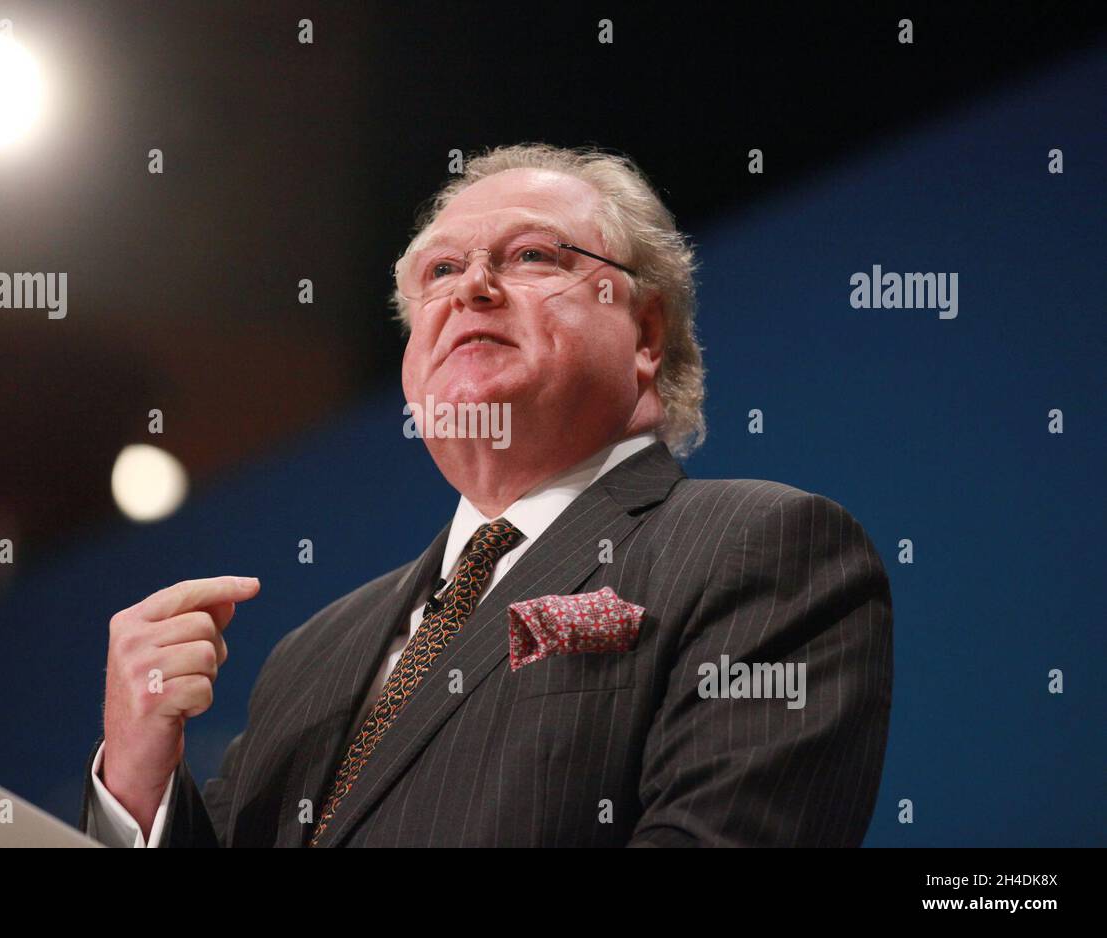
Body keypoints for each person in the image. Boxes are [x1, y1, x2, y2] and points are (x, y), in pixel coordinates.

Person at [80, 143, 893, 847]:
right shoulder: (311, 654)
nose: (472, 286)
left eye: (533, 256)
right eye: (440, 270)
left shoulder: (760, 549)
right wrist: (138, 786)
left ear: (645, 335)